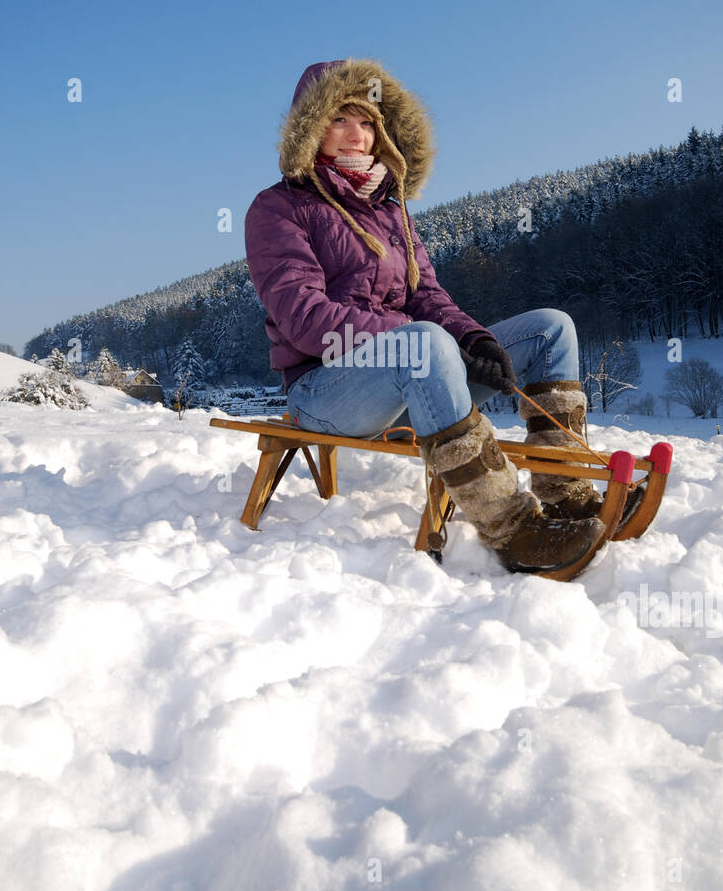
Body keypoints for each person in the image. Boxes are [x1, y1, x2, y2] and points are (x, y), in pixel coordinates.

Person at [244, 58, 604, 572]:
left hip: (414, 374)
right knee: (425, 342)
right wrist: (432, 343)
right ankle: (511, 528)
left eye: (368, 122)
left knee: (551, 328)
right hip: (326, 390)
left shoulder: (390, 211)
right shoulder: (277, 208)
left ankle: (566, 491)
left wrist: (474, 341)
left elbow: (428, 296)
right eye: (340, 119)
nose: (356, 134)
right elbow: (306, 317)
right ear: (311, 125)